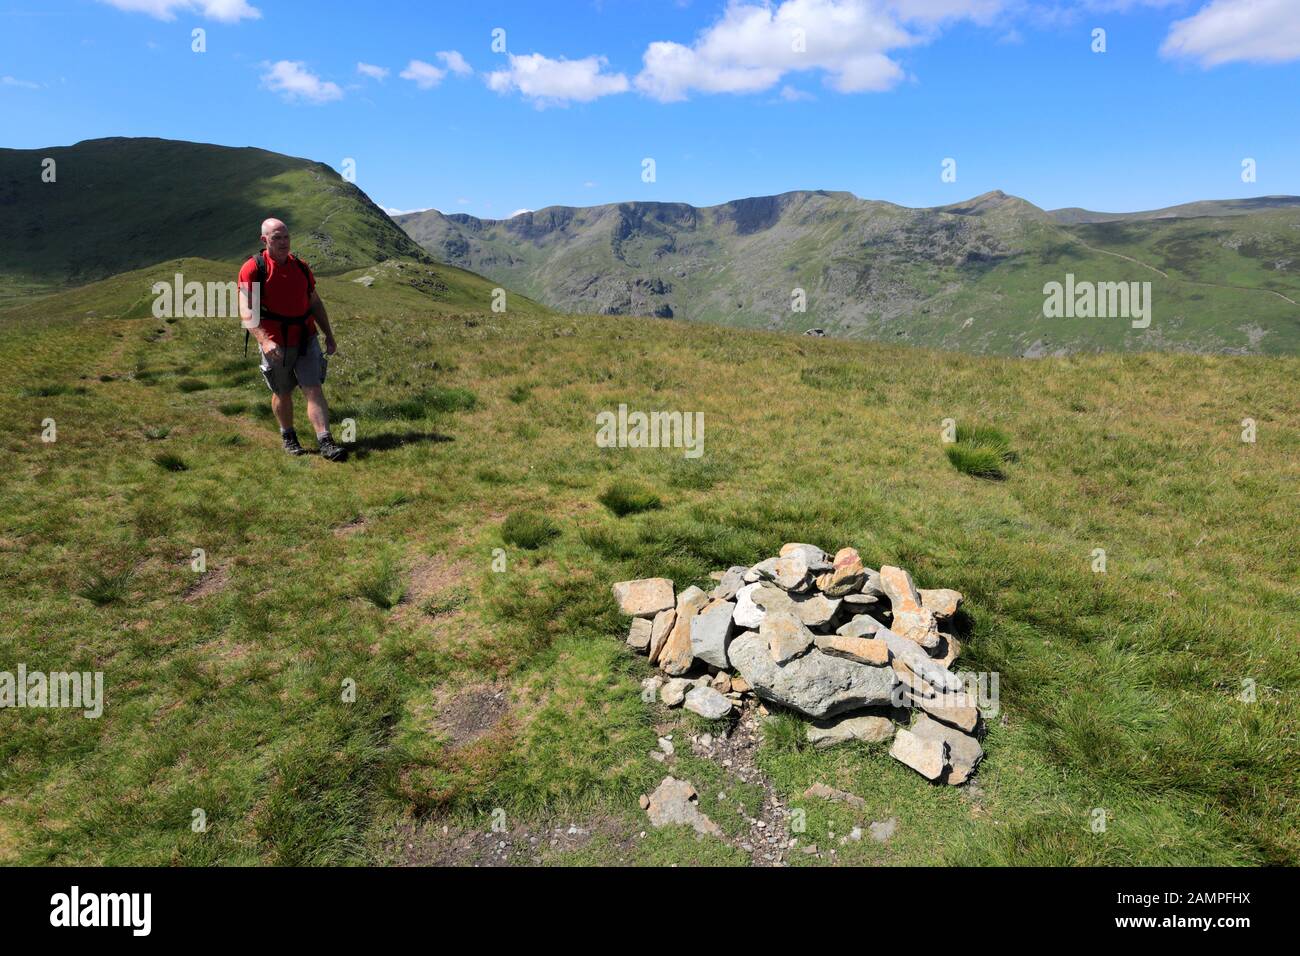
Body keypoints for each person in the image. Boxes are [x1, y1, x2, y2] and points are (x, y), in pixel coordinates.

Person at [237, 218, 347, 461]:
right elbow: (246, 312)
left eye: (286, 236)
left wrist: (328, 334)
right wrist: (264, 341)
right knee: (283, 390)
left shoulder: (301, 267)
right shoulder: (253, 268)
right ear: (264, 240)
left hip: (306, 337)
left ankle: (326, 441)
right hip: (275, 342)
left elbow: (315, 302)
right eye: (277, 237)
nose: (283, 242)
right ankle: (288, 436)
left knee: (313, 388)